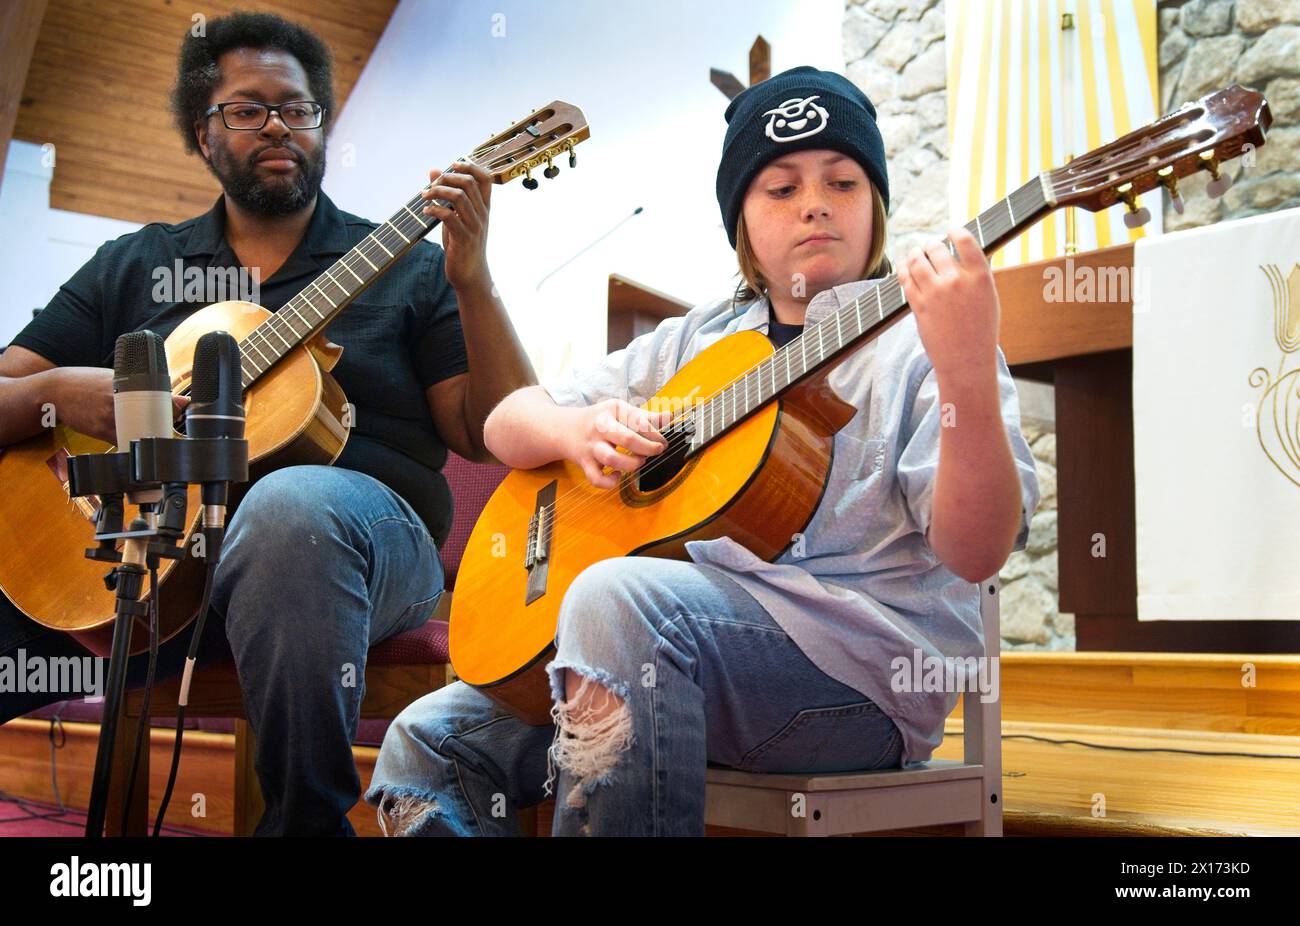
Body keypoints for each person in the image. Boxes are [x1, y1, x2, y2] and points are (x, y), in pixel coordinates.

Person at [366, 65, 1041, 836]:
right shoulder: (702, 340)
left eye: (844, 181)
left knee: (616, 598)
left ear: (877, 206)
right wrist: (573, 430)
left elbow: (977, 549)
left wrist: (965, 370)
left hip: (859, 684)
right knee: (425, 742)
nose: (814, 202)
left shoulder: (927, 335)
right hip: (656, 655)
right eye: (780, 189)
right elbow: (502, 424)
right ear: (742, 223)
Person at [0, 11, 535, 835]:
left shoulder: (408, 264)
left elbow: (491, 429)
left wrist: (475, 282)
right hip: (164, 561)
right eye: (247, 109)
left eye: (300, 107)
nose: (279, 124)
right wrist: (65, 392)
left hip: (361, 552)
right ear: (203, 134)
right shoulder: (136, 264)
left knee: (290, 507)